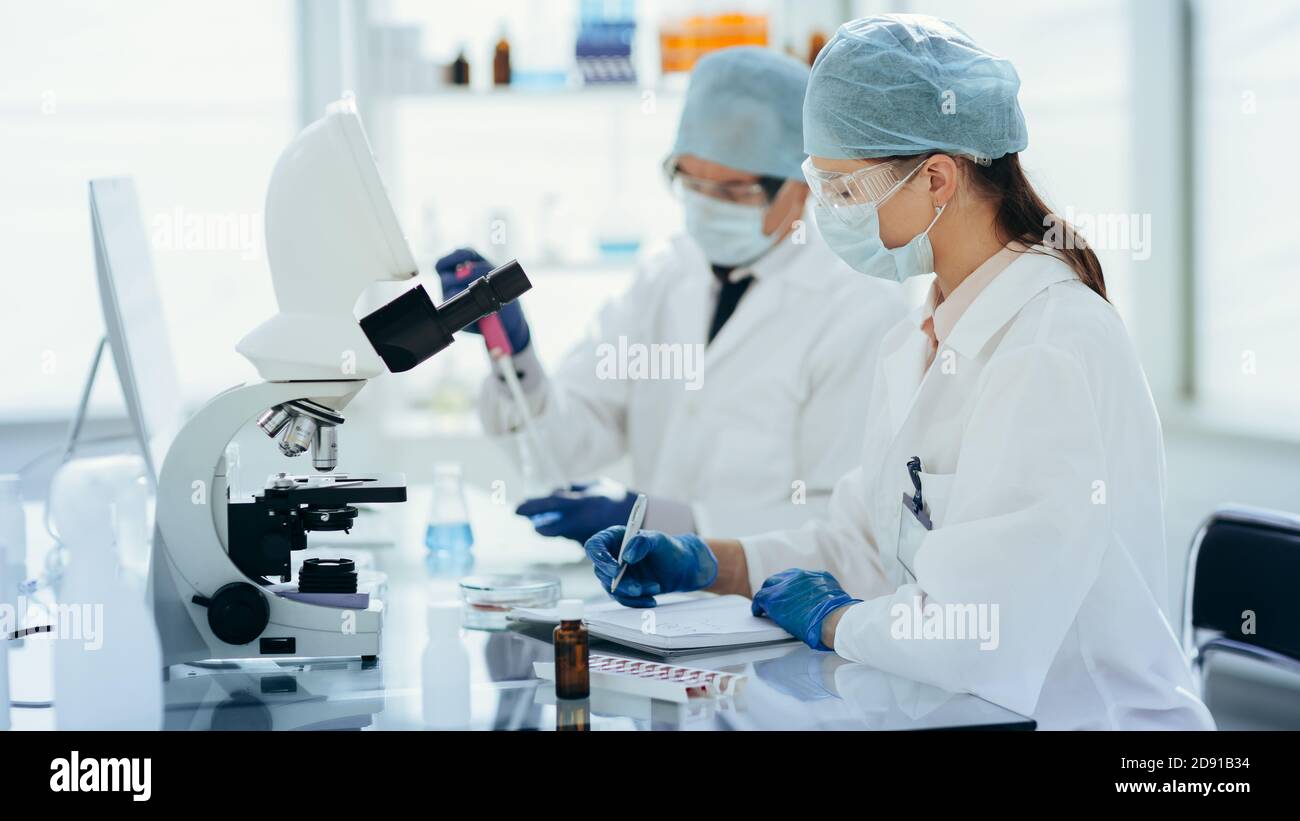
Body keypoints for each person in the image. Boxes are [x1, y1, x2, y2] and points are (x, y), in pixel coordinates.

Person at [582, 15, 1214, 730]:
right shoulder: (928, 333)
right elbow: (861, 542)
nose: (829, 217)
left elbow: (976, 629)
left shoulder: (1048, 345)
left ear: (938, 178)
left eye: (845, 192)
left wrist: (833, 622)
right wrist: (709, 562)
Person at [437, 47, 905, 543]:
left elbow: (844, 524)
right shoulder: (663, 279)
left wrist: (674, 525)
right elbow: (558, 452)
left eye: (732, 192)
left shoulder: (860, 312)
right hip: (647, 606)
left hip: (775, 612)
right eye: (691, 183)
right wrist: (517, 357)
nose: (706, 206)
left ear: (803, 183)